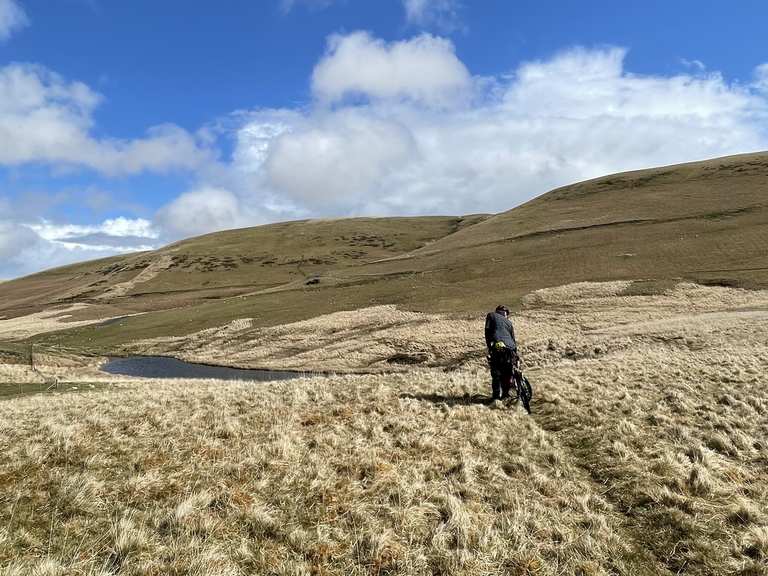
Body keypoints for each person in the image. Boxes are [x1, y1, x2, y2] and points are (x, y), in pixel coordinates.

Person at [484, 304, 519, 401]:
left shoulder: (491, 315)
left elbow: (487, 332)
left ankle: (496, 398)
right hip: (511, 349)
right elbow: (513, 339)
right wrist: (516, 354)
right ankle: (505, 395)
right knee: (507, 372)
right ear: (506, 314)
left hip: (498, 346)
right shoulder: (509, 323)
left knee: (496, 373)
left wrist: (489, 347)